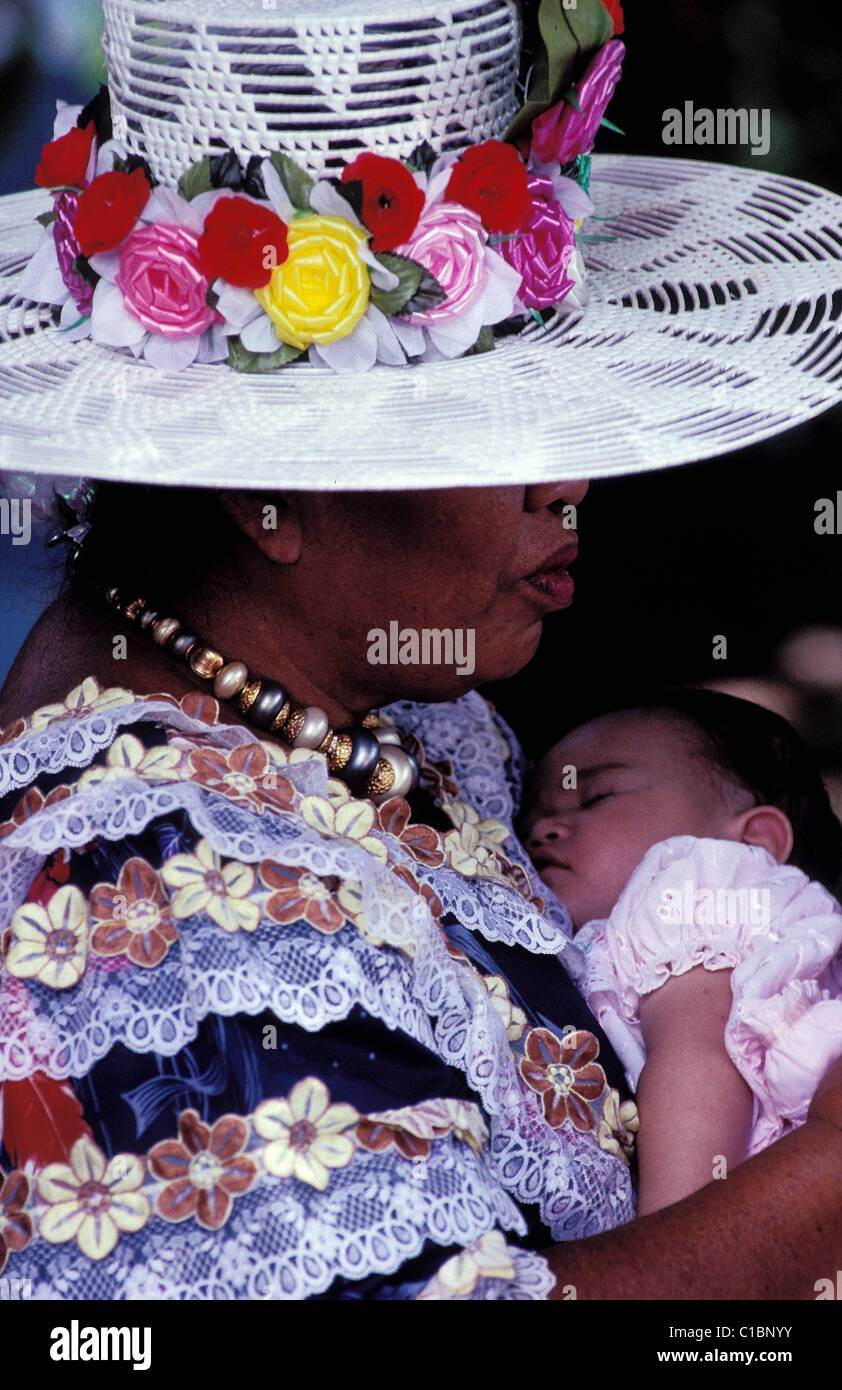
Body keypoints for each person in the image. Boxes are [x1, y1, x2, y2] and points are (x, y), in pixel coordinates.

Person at [2, 0, 842, 1302]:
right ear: (267, 496)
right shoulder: (156, 904)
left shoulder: (351, 695)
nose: (564, 484)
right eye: (481, 431)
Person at [522, 690, 842, 1216]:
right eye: (533, 816)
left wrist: (671, 1248)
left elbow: (700, 1060)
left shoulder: (697, 894)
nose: (542, 830)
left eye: (595, 796)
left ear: (753, 842)